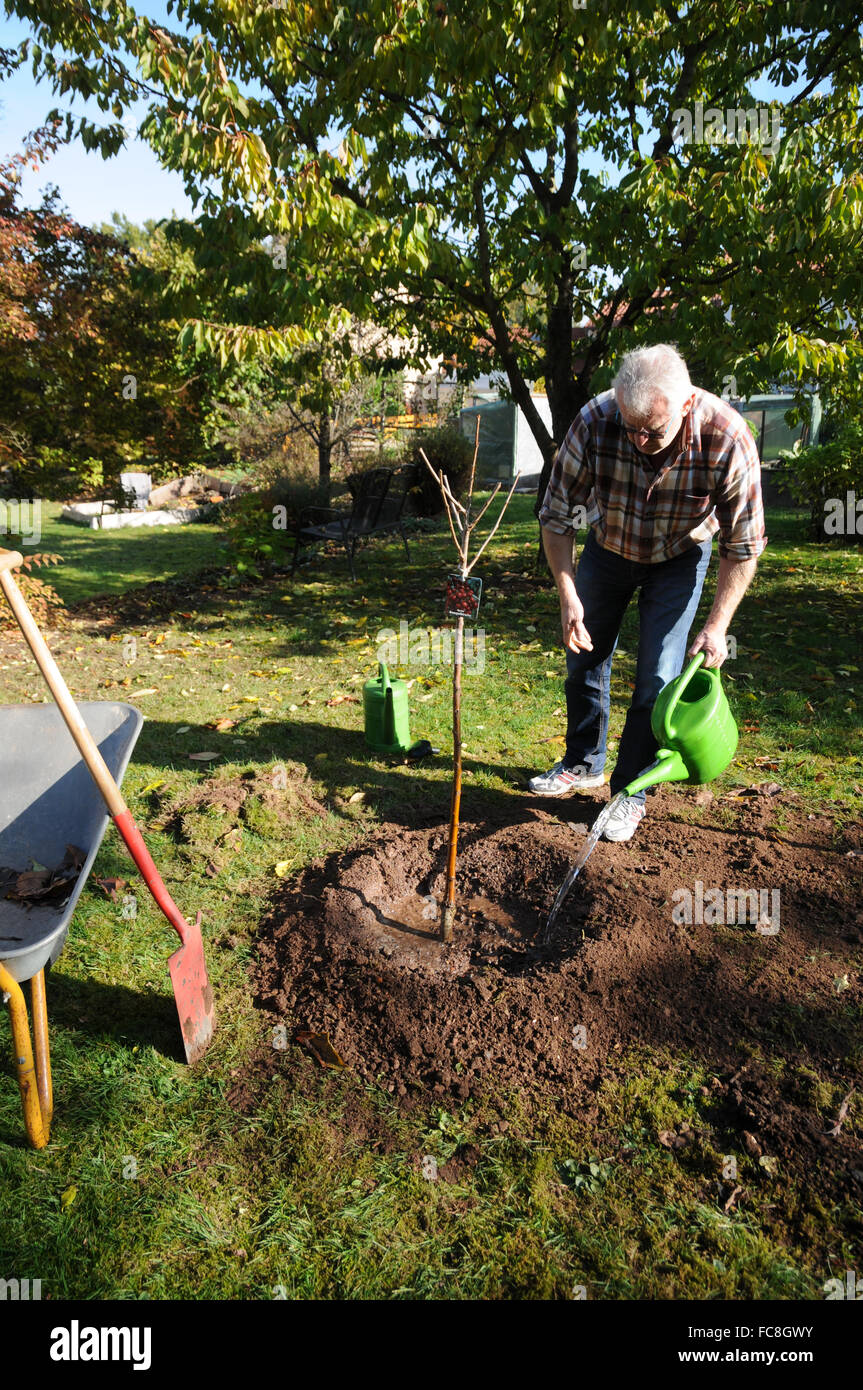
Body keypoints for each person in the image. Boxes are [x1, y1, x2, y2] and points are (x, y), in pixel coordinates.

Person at [530, 343, 766, 841]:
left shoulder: (727, 438)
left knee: (658, 676)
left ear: (685, 406)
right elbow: (555, 517)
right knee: (583, 658)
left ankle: (630, 792)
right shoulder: (595, 420)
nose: (639, 439)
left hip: (679, 558)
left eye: (652, 430)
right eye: (631, 425)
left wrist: (718, 625)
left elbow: (742, 545)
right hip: (608, 545)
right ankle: (583, 761)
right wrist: (567, 592)